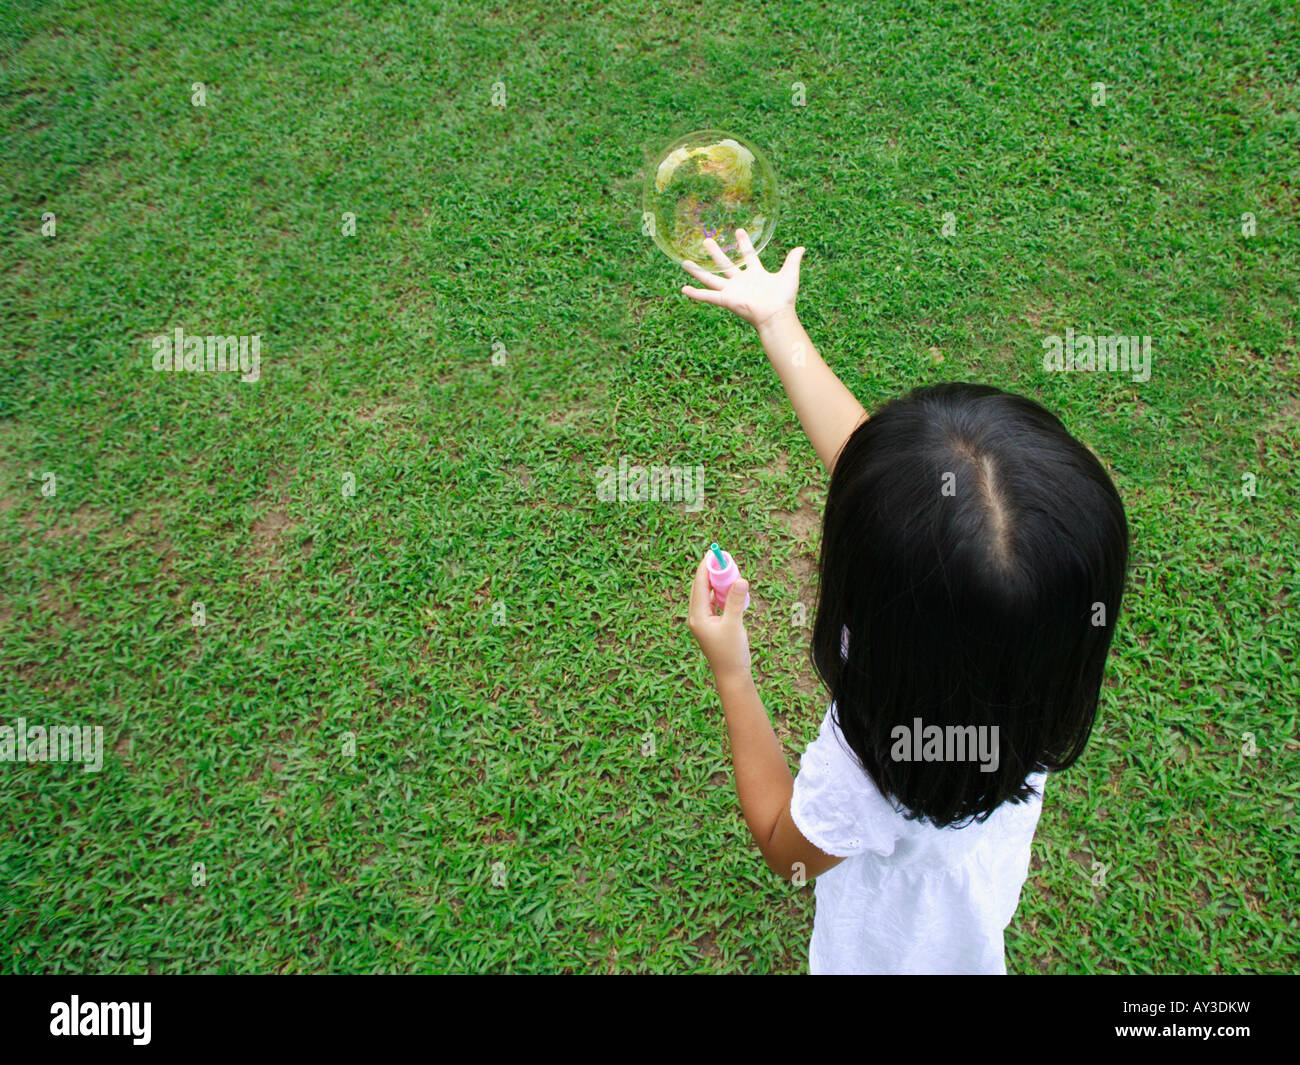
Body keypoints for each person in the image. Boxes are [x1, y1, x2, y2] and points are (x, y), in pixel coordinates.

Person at [683, 230, 1130, 974]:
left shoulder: (866, 767)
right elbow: (879, 479)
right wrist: (777, 322)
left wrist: (732, 667)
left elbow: (781, 846)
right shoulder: (1034, 657)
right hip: (974, 913)